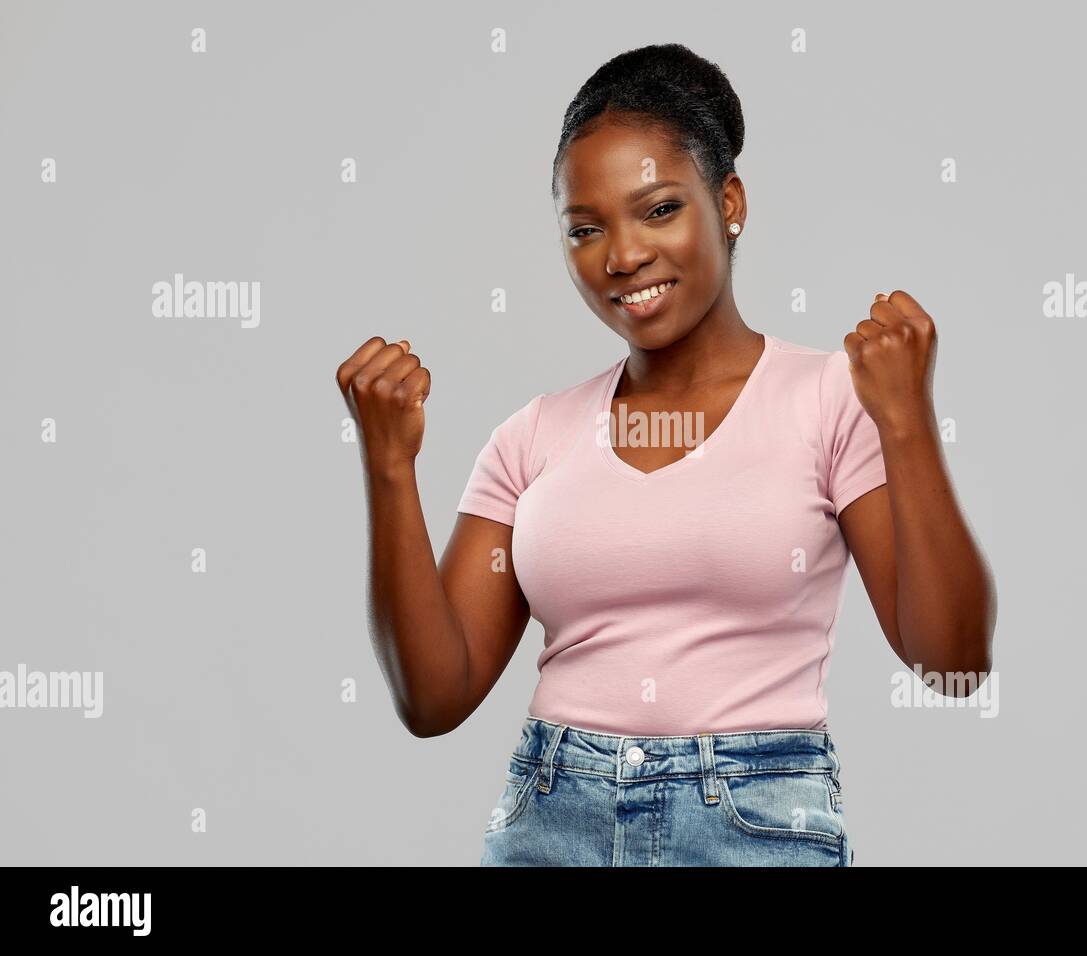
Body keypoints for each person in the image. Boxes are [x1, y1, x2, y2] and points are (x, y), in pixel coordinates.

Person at [335, 43, 996, 866]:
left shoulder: (830, 400)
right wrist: (389, 468)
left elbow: (953, 658)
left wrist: (906, 421)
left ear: (729, 204)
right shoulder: (532, 436)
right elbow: (432, 698)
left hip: (754, 825)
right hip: (551, 825)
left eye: (657, 210)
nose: (621, 257)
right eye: (586, 228)